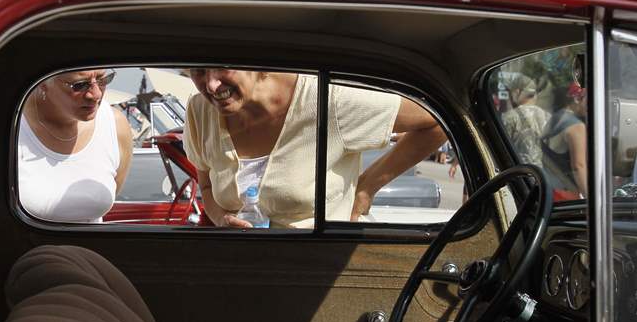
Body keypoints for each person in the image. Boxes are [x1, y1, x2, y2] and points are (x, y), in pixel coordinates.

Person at [183, 69, 446, 228]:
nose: (211, 84)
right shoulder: (199, 111)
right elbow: (206, 186)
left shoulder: (327, 100)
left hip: (317, 273)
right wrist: (221, 218)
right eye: (198, 71)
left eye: (222, 68)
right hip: (245, 273)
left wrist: (365, 188)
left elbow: (437, 119)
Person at [17, 69, 133, 222]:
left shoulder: (115, 125)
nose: (96, 94)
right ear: (43, 82)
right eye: (79, 85)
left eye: (103, 79)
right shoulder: (13, 128)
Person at [541, 81, 589, 198]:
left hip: (547, 190)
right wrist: (590, 197)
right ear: (578, 99)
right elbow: (578, 166)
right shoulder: (576, 126)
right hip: (565, 194)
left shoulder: (555, 118)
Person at [500, 74, 549, 166]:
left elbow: (501, 147)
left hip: (517, 169)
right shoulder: (545, 115)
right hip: (537, 170)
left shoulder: (510, 117)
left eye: (511, 93)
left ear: (516, 92)